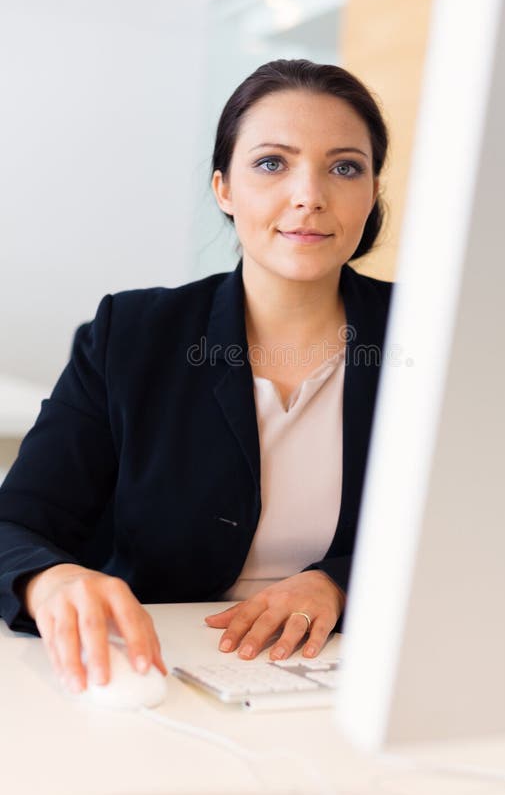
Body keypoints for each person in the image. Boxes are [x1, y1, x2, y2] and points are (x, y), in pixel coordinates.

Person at [0, 58, 393, 696]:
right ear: (224, 189)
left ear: (371, 192)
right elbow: (16, 523)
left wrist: (341, 580)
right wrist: (54, 579)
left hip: (368, 676)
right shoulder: (132, 333)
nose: (309, 195)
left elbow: (497, 522)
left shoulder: (436, 332)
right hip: (162, 673)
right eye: (272, 163)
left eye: (344, 167)